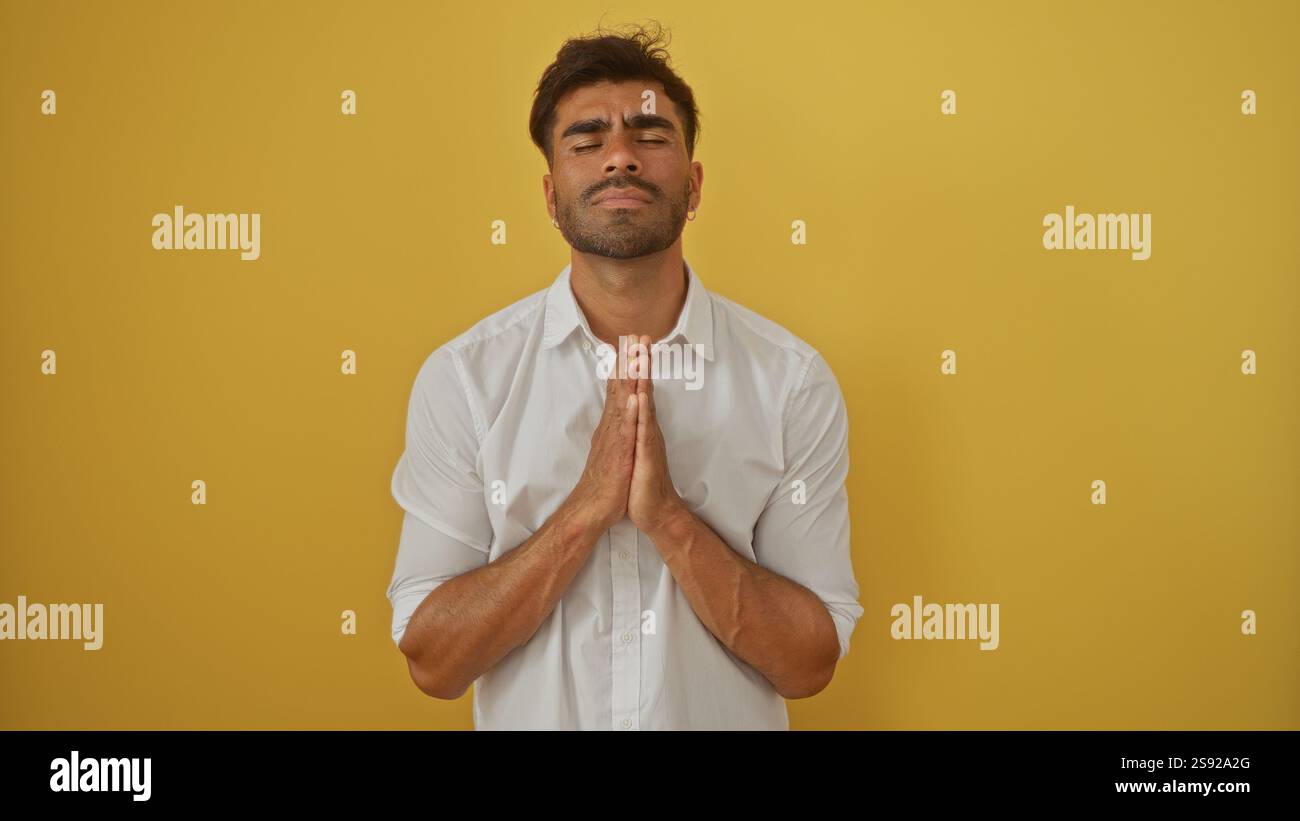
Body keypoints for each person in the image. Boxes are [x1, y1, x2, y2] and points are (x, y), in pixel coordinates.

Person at [386, 22, 863, 730]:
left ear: (693, 185)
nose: (620, 158)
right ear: (551, 196)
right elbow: (433, 661)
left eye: (650, 135)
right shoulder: (463, 380)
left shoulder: (790, 383)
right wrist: (585, 509)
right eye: (587, 140)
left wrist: (669, 518)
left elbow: (808, 664)